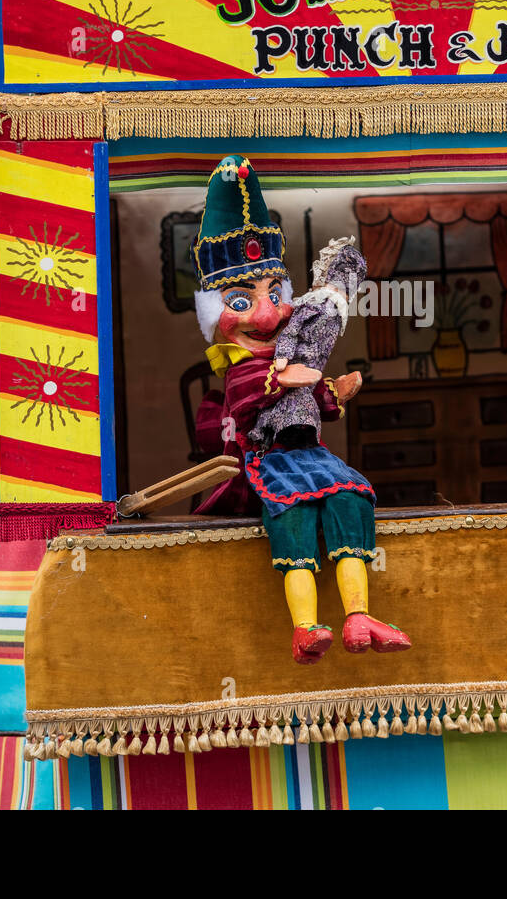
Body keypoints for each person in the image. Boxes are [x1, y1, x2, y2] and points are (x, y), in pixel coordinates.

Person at [190, 155, 411, 664]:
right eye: (241, 302)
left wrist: (335, 394)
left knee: (351, 498)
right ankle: (305, 627)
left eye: (274, 294)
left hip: (313, 455)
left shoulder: (296, 350)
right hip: (269, 460)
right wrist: (284, 377)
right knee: (292, 518)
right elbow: (250, 403)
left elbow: (312, 401)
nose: (265, 315)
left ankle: (358, 614)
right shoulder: (242, 369)